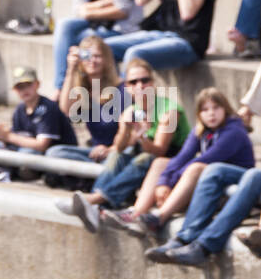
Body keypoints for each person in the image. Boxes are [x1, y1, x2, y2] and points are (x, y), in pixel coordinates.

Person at [103, 88, 253, 237]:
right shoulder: (201, 129)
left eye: (216, 108)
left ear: (225, 109)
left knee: (196, 167)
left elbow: (208, 158)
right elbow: (182, 157)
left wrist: (170, 182)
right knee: (160, 163)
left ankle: (159, 217)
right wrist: (163, 182)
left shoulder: (234, 130)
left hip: (235, 182)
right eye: (205, 109)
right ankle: (136, 213)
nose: (211, 113)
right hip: (212, 180)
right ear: (199, 114)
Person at [61, 60, 190, 232]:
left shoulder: (170, 111)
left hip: (171, 161)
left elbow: (160, 151)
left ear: (153, 83)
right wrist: (127, 128)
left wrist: (142, 136)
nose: (140, 86)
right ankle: (96, 208)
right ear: (127, 87)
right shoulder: (130, 111)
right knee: (117, 156)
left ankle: (94, 199)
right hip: (147, 159)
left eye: (145, 80)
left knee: (144, 158)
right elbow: (119, 147)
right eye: (133, 82)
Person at [48, 35, 125, 167]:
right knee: (55, 152)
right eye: (87, 56)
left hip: (118, 150)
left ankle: (93, 174)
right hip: (94, 152)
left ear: (106, 59)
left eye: (97, 56)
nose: (92, 61)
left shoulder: (122, 89)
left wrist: (111, 149)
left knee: (116, 160)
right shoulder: (84, 91)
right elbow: (66, 109)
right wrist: (71, 69)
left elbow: (133, 133)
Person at [0, 66, 76, 173]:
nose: (24, 90)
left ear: (37, 84)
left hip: (57, 153)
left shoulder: (47, 107)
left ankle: (18, 170)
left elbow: (42, 145)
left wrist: (8, 136)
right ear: (15, 90)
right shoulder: (19, 109)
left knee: (27, 153)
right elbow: (20, 138)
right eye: (20, 87)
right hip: (32, 149)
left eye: (28, 85)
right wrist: (2, 136)